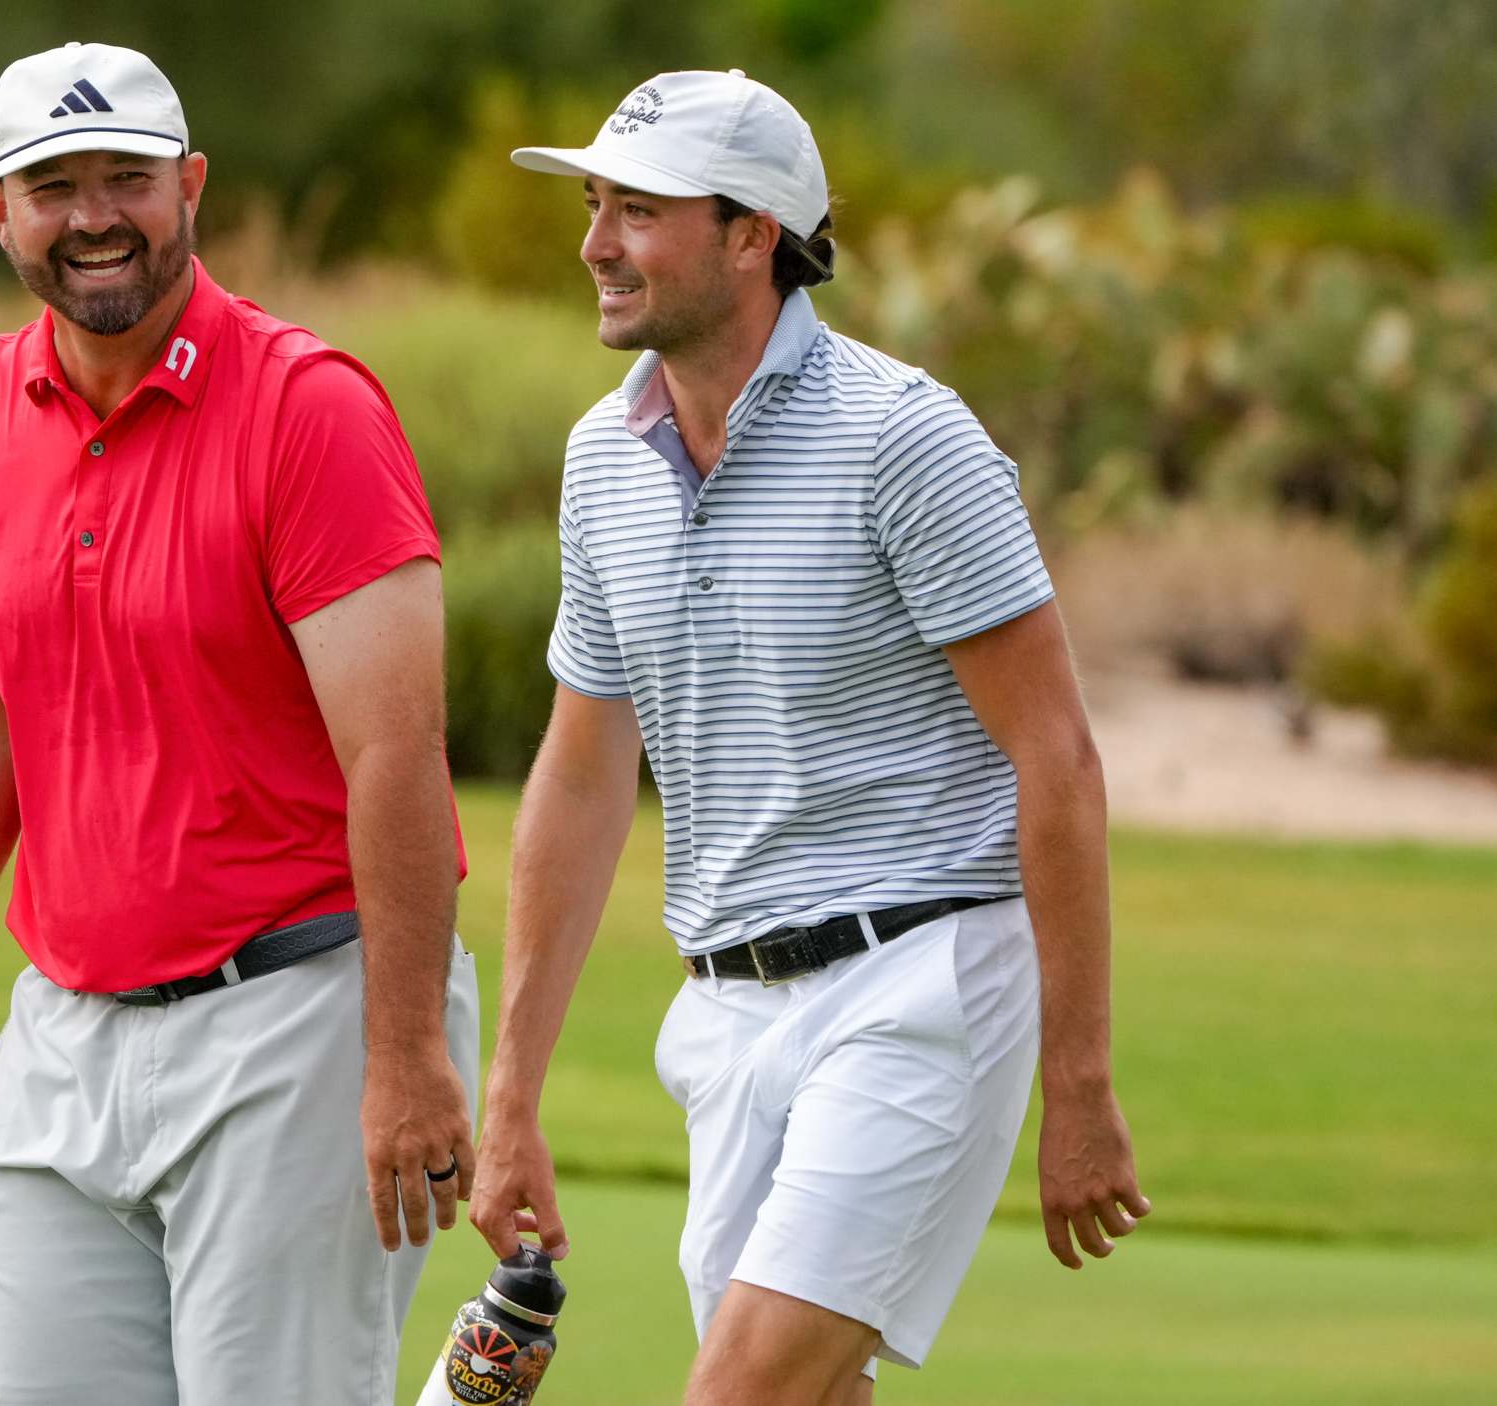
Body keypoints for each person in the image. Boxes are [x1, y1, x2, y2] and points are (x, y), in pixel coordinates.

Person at [466, 69, 1152, 1404]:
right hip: (727, 1014)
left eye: (638, 211)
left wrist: (1079, 1079)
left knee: (740, 1392)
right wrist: (512, 1093)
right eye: (596, 205)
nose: (595, 242)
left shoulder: (905, 438)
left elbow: (1057, 758)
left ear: (751, 234)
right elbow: (584, 774)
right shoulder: (600, 461)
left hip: (920, 981)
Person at [0, 41, 479, 1406]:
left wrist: (405, 1054)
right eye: (56, 184)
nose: (95, 214)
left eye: (127, 178)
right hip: (66, 1031)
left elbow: (397, 752)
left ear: (190, 186)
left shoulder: (308, 410)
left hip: (300, 1019)